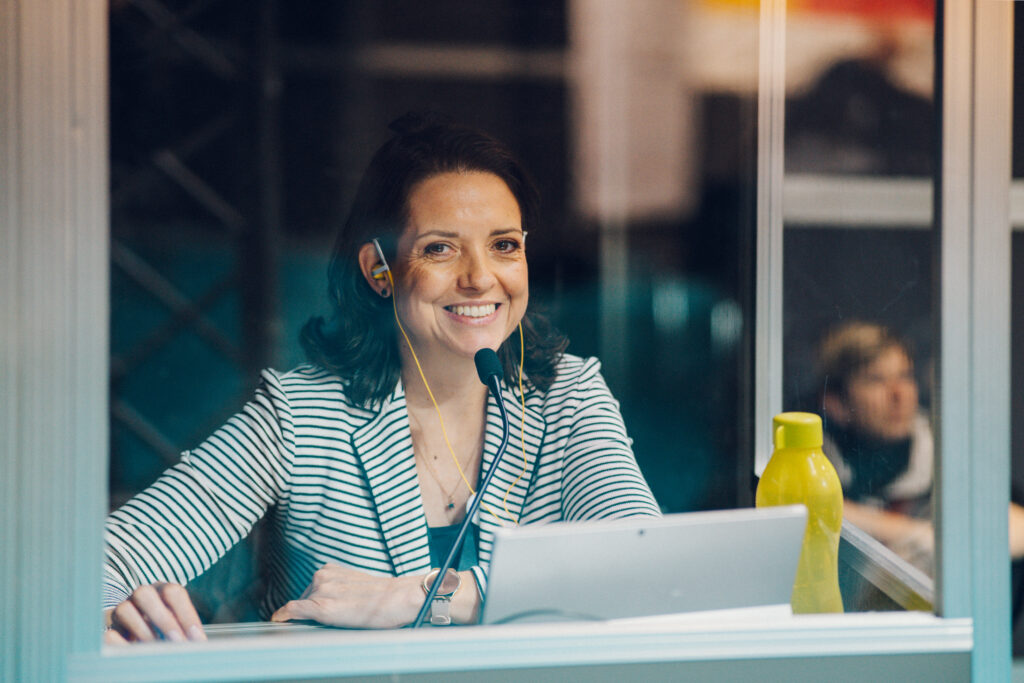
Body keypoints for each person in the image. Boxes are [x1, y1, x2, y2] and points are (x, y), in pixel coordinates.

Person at [103, 113, 661, 643]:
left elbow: (648, 575)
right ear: (379, 270)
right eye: (439, 248)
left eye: (504, 246)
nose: (480, 277)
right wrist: (114, 616)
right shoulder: (301, 416)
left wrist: (426, 597)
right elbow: (98, 568)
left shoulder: (567, 396)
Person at [817, 321, 1024, 574]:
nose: (898, 394)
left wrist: (938, 544)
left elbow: (1015, 527)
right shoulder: (817, 459)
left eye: (905, 376)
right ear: (835, 402)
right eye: (875, 380)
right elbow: (809, 509)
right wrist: (911, 533)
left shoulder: (948, 450)